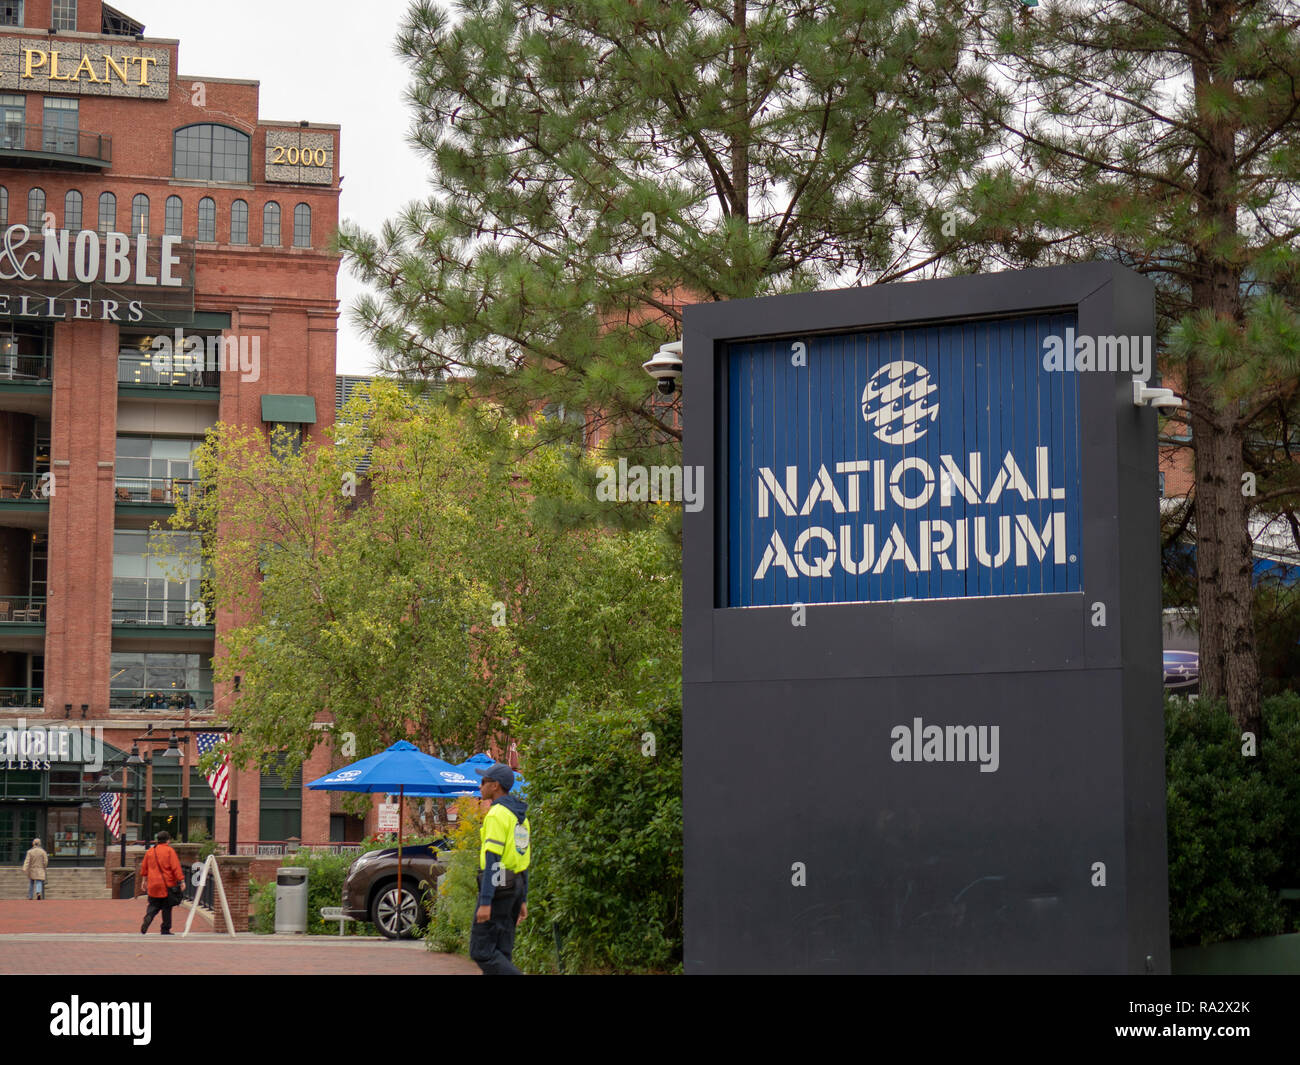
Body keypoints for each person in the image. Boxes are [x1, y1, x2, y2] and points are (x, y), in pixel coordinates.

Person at [470, 762, 530, 975]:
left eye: (484, 781)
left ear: (495, 786)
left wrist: (485, 902)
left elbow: (493, 859)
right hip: (516, 885)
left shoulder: (496, 815)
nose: (480, 786)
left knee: (482, 951)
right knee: (502, 951)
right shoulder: (520, 816)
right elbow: (523, 859)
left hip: (499, 885)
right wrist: (523, 898)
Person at [138, 830, 184, 935]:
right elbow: (175, 867)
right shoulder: (169, 851)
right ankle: (165, 929)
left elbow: (144, 868)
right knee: (167, 907)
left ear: (157, 840)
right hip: (167, 884)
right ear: (168, 840)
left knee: (153, 904)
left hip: (153, 884)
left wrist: (143, 881)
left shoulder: (150, 851)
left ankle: (148, 916)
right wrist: (181, 880)